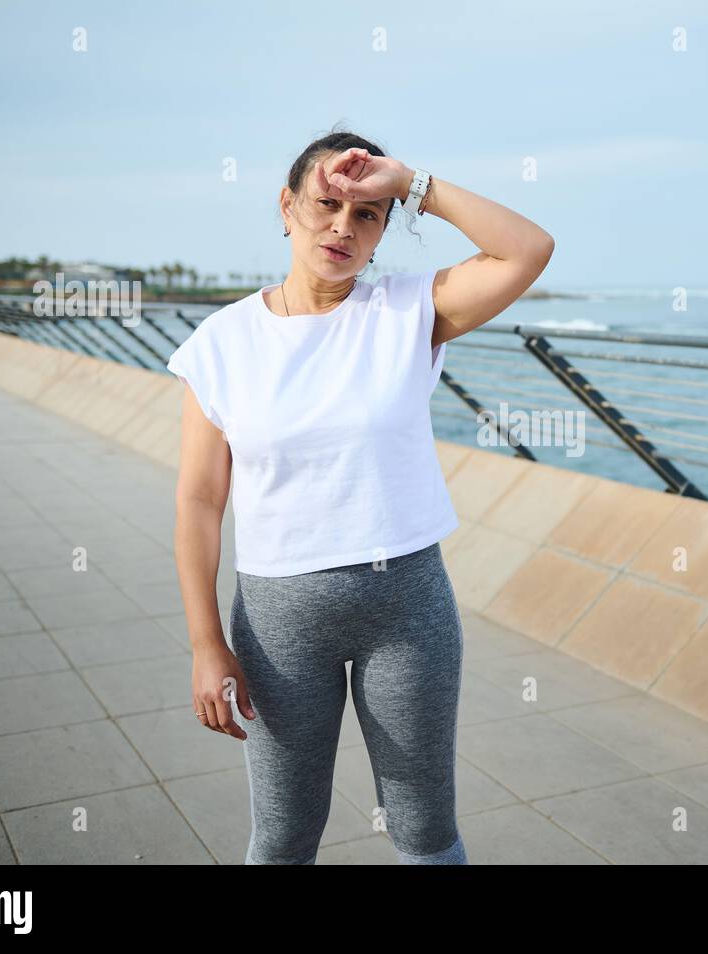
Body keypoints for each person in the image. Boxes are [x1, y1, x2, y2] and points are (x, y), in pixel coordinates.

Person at [167, 128, 554, 864]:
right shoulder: (221, 345)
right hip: (279, 623)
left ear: (384, 228)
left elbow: (528, 250)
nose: (342, 227)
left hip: (406, 612)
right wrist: (205, 641)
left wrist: (413, 183)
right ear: (287, 207)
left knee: (424, 831)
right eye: (325, 205)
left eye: (367, 213)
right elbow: (198, 502)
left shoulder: (409, 312)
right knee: (282, 837)